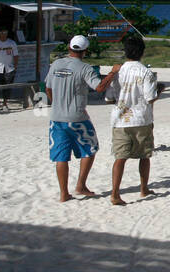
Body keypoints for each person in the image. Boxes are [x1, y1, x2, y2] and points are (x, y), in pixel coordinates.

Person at [45, 35, 119, 202]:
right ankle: (81, 185)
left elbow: (48, 87)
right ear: (85, 51)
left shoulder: (56, 64)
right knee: (90, 148)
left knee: (61, 156)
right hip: (77, 117)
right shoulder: (85, 68)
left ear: (69, 47)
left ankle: (63, 193)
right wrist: (112, 73)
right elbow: (99, 87)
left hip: (56, 118)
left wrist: (56, 103)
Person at [105, 33, 160, 205]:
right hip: (141, 118)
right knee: (145, 155)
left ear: (125, 52)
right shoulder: (146, 72)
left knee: (120, 157)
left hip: (120, 119)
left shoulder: (117, 72)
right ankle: (143, 188)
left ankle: (115, 193)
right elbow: (150, 97)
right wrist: (161, 91)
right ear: (142, 52)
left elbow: (109, 98)